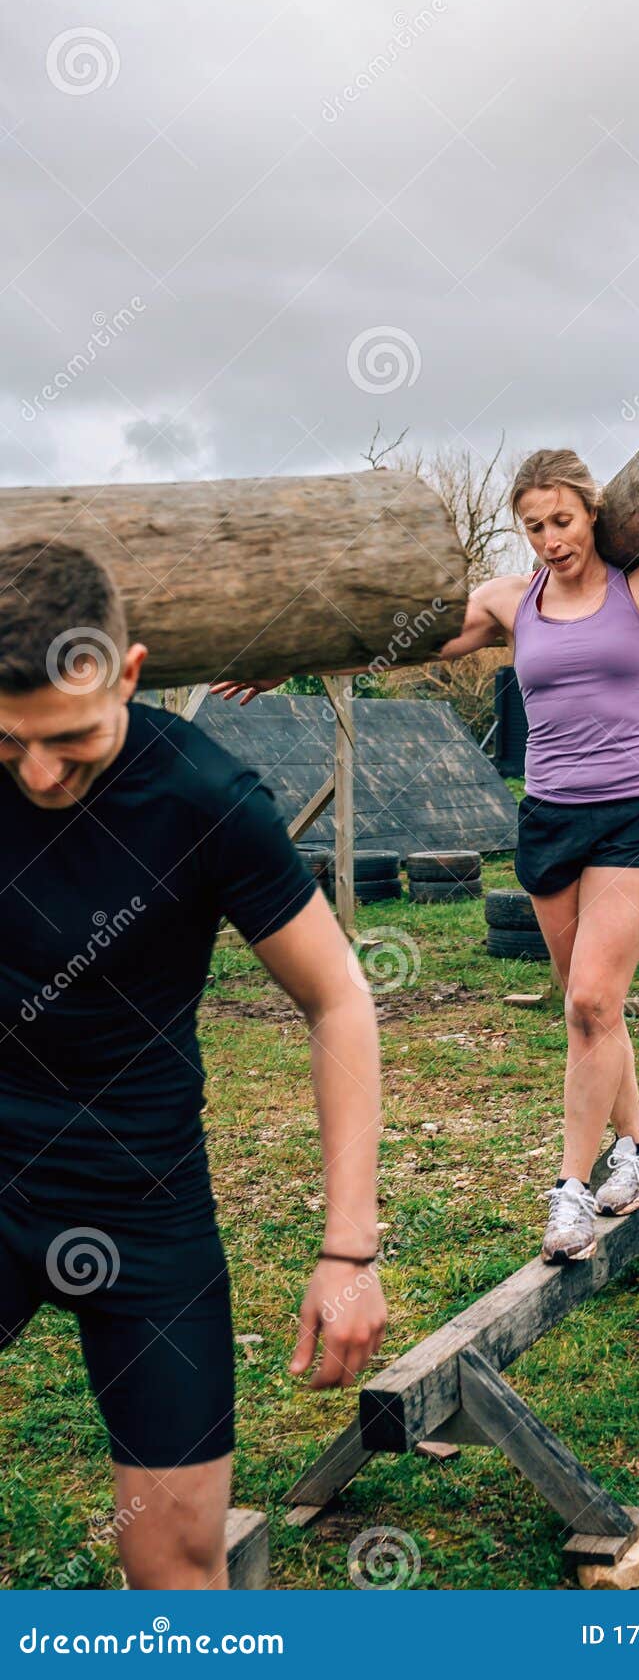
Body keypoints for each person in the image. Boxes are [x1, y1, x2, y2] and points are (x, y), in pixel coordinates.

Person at [213, 405, 639, 1264]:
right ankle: (638, 1145)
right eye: (533, 526)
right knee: (593, 1013)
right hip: (547, 818)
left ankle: (569, 1191)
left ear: (594, 513)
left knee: (590, 1003)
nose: (550, 539)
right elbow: (402, 649)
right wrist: (295, 660)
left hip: (632, 815)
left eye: (562, 520)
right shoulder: (511, 602)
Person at [0, 543, 387, 1589]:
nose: (39, 773)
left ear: (128, 673)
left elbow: (337, 996)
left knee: (173, 1559)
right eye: (9, 743)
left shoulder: (202, 796)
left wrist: (348, 1251)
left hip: (142, 1202)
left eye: (70, 737)